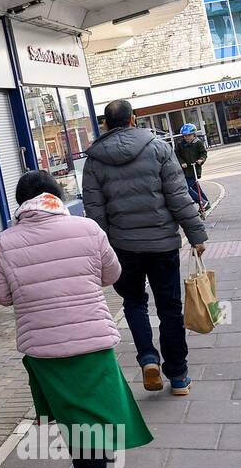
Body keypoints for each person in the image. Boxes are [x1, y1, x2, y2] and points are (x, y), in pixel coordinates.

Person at [0, 170, 153, 468]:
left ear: (21, 203)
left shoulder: (5, 242)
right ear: (56, 196)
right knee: (98, 420)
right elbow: (112, 273)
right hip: (90, 342)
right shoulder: (88, 229)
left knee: (70, 412)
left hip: (43, 350)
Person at [82, 100, 208, 397]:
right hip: (163, 243)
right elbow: (178, 196)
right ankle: (178, 375)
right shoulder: (159, 148)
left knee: (135, 304)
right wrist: (196, 234)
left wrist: (102, 249)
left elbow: (95, 212)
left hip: (123, 247)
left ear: (105, 124)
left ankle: (148, 359)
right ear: (133, 119)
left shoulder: (94, 160)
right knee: (170, 308)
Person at [175, 123, 209, 215]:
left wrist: (201, 160)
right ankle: (206, 202)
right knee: (195, 187)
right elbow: (177, 155)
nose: (187, 138)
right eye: (185, 136)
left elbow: (203, 153)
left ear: (194, 134)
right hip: (185, 170)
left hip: (194, 169)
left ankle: (201, 201)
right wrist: (182, 162)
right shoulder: (180, 144)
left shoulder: (198, 143)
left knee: (185, 187)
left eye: (189, 135)